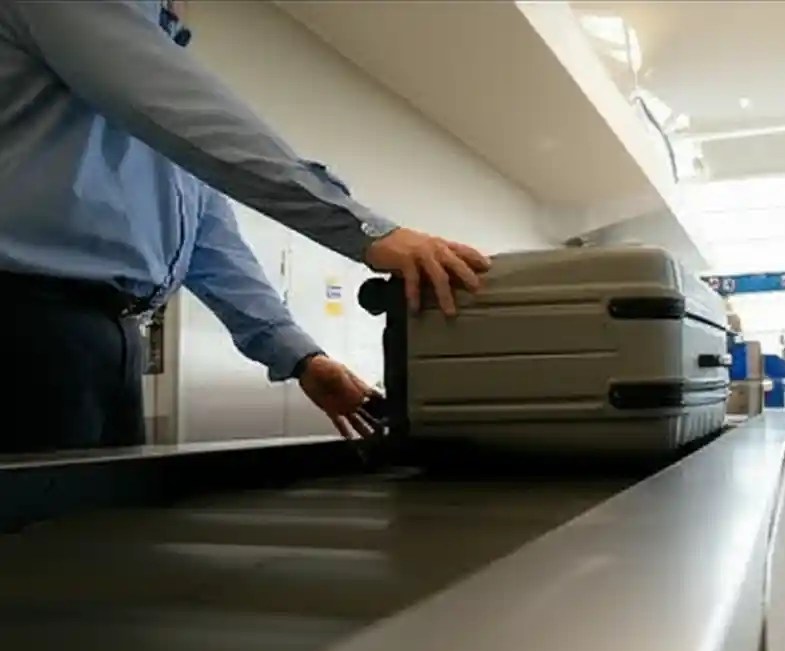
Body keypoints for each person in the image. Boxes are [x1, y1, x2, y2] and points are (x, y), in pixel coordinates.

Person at [0, 1, 490, 453]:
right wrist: (367, 231)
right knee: (35, 536)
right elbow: (180, 110)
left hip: (108, 337)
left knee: (91, 536)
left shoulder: (152, 73)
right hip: (26, 321)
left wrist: (301, 358)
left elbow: (211, 246)